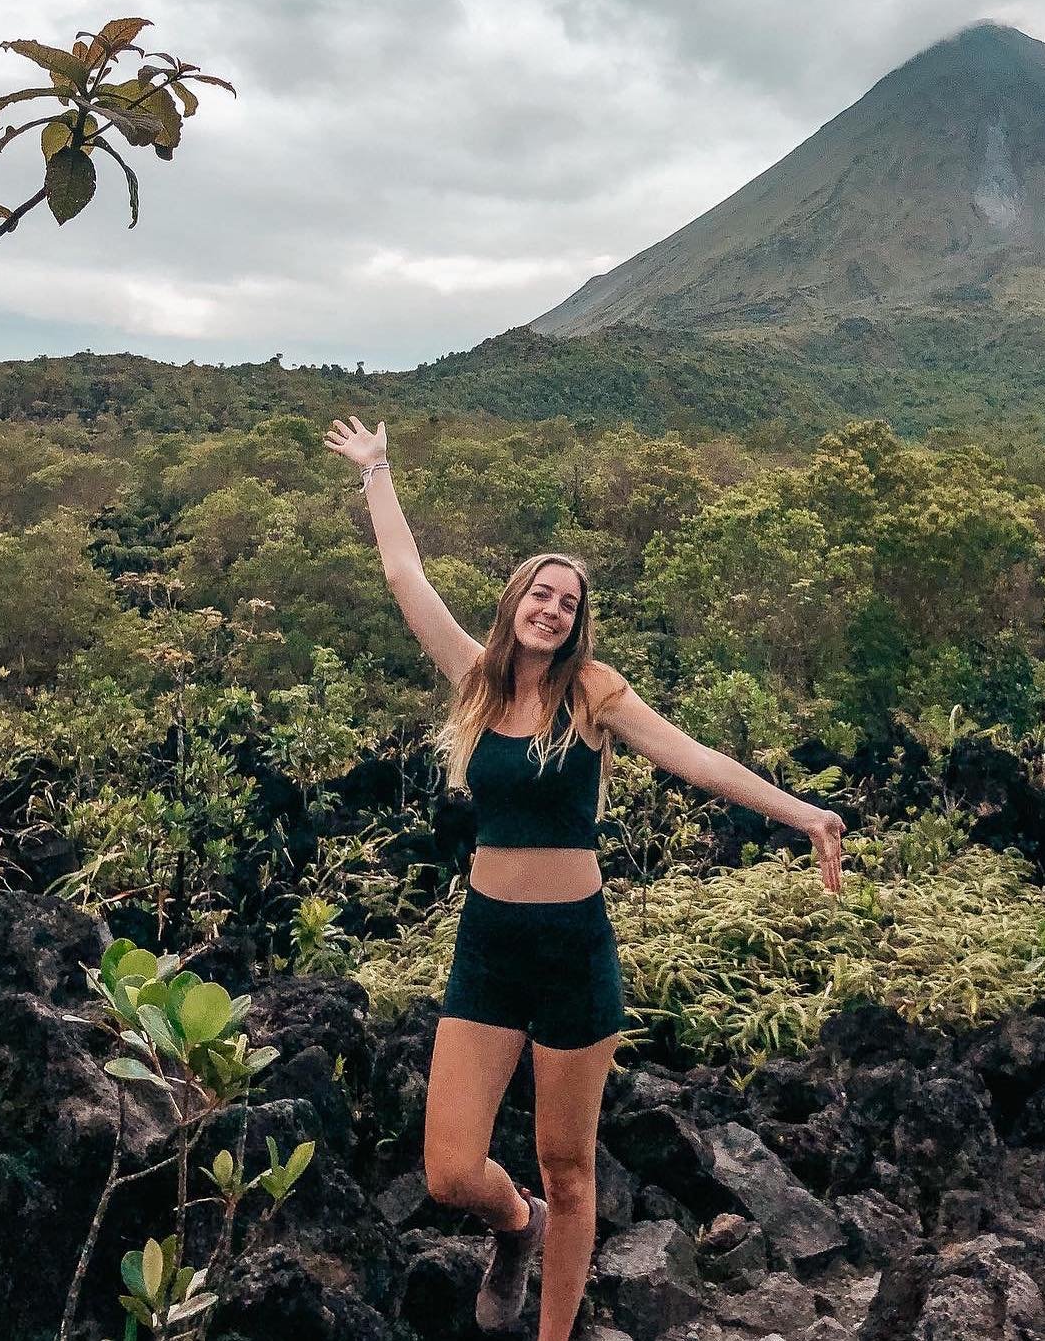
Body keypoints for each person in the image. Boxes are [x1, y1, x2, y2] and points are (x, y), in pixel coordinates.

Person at [324, 414, 847, 1341]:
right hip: (489, 948)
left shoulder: (594, 693)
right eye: (541, 592)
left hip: (573, 952)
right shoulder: (476, 680)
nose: (553, 609)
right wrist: (377, 471)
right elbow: (405, 577)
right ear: (514, 601)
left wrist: (802, 812)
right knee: (451, 1171)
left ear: (577, 621)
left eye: (568, 602)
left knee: (569, 1169)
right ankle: (514, 1227)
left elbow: (695, 758)